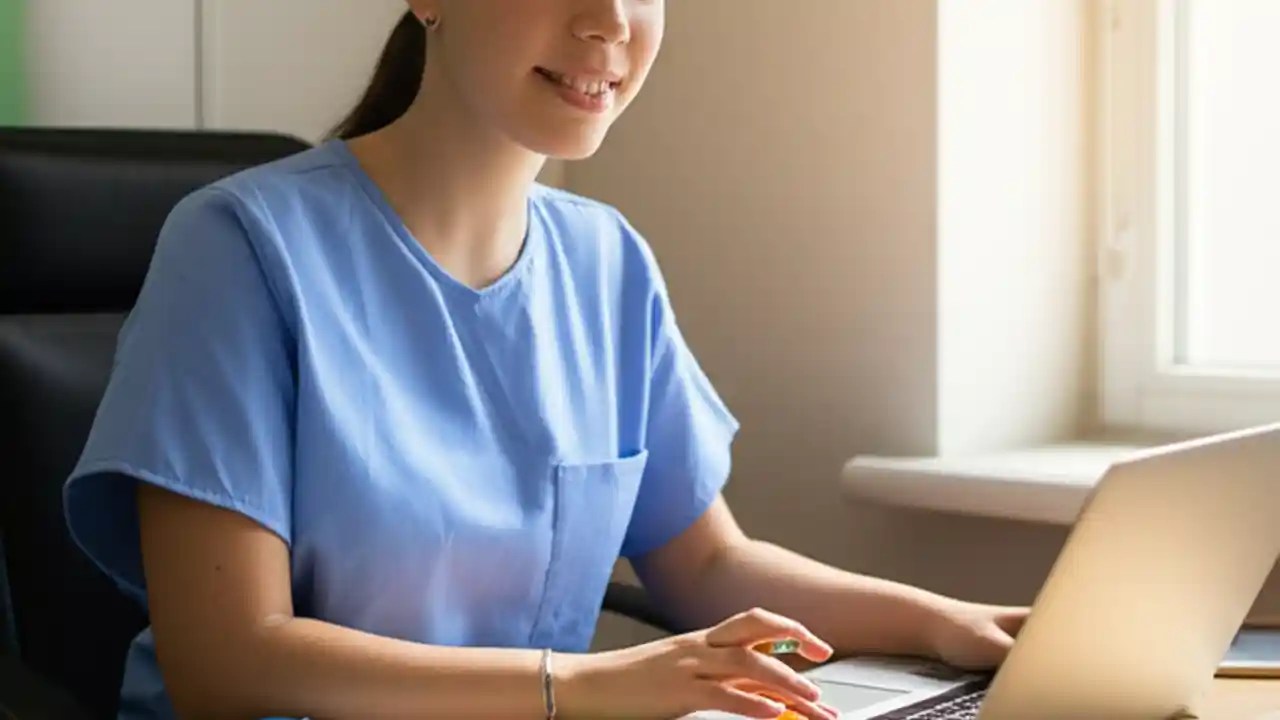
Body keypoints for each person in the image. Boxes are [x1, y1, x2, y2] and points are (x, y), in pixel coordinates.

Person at [63, 2, 1028, 719]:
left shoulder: (607, 261)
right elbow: (227, 658)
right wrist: (591, 684)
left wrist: (946, 624)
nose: (609, 20)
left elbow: (708, 563)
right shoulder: (239, 246)